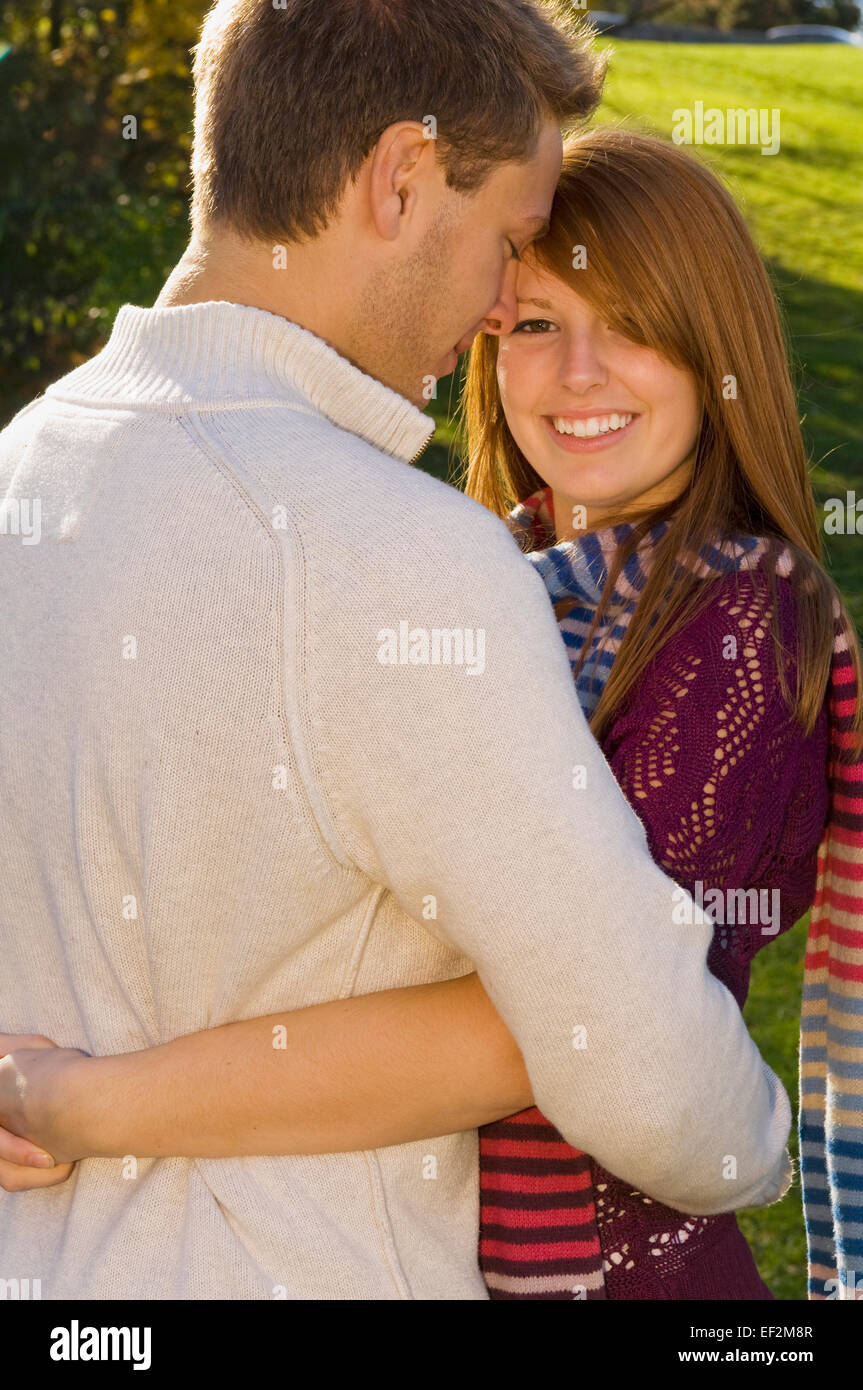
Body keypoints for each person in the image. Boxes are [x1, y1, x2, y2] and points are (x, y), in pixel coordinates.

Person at [0, 2, 793, 1300]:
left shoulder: (21, 472)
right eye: (511, 245)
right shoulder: (394, 555)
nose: (499, 306)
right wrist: (756, 1146)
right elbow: (648, 1078)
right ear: (402, 179)